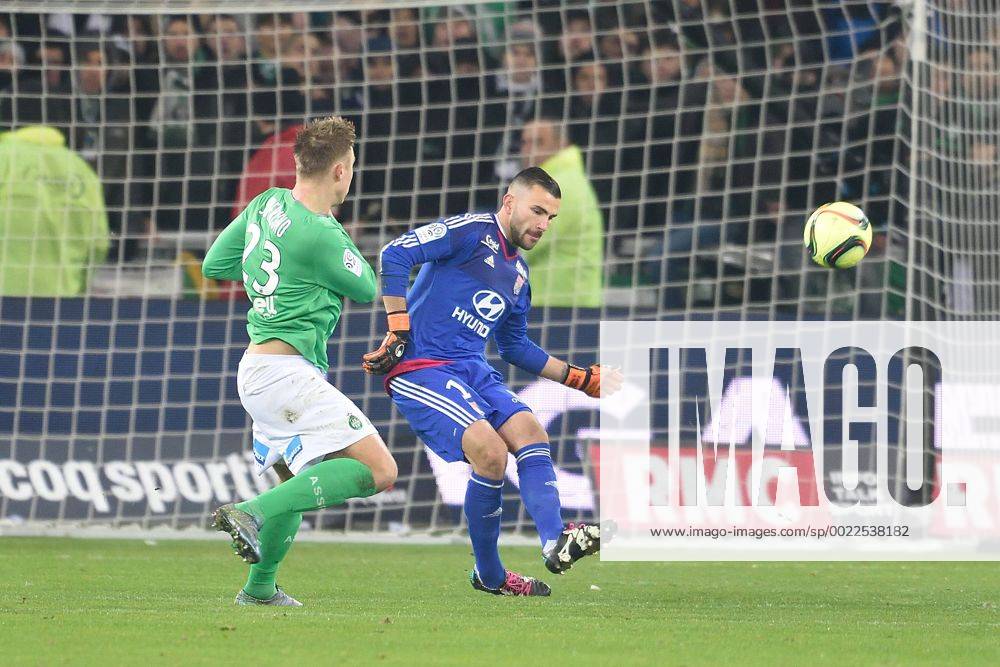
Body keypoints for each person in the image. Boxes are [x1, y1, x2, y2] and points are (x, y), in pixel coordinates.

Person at [363, 167, 622, 597]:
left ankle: (555, 540)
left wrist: (578, 378)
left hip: (471, 367)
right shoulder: (470, 231)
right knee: (490, 452)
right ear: (509, 202)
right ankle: (490, 574)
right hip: (419, 365)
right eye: (537, 211)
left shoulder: (518, 276)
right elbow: (395, 253)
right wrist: (397, 328)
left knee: (531, 432)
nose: (542, 224)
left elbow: (515, 347)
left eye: (550, 218)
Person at [202, 116, 397, 607]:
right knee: (380, 470)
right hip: (286, 374)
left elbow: (214, 266)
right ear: (338, 170)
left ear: (295, 163)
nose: (351, 176)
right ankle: (250, 510)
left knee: (299, 478)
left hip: (257, 368)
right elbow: (367, 287)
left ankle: (260, 589)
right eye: (351, 166)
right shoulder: (321, 234)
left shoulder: (266, 202)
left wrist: (273, 281)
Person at [0, 125, 108, 296]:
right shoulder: (80, 169)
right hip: (61, 296)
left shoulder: (4, 156)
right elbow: (99, 241)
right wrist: (80, 285)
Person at [519, 119, 603, 308]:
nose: (529, 150)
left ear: (561, 145)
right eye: (525, 143)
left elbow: (525, 242)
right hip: (559, 300)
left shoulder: (559, 186)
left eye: (539, 142)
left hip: (563, 304)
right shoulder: (558, 181)